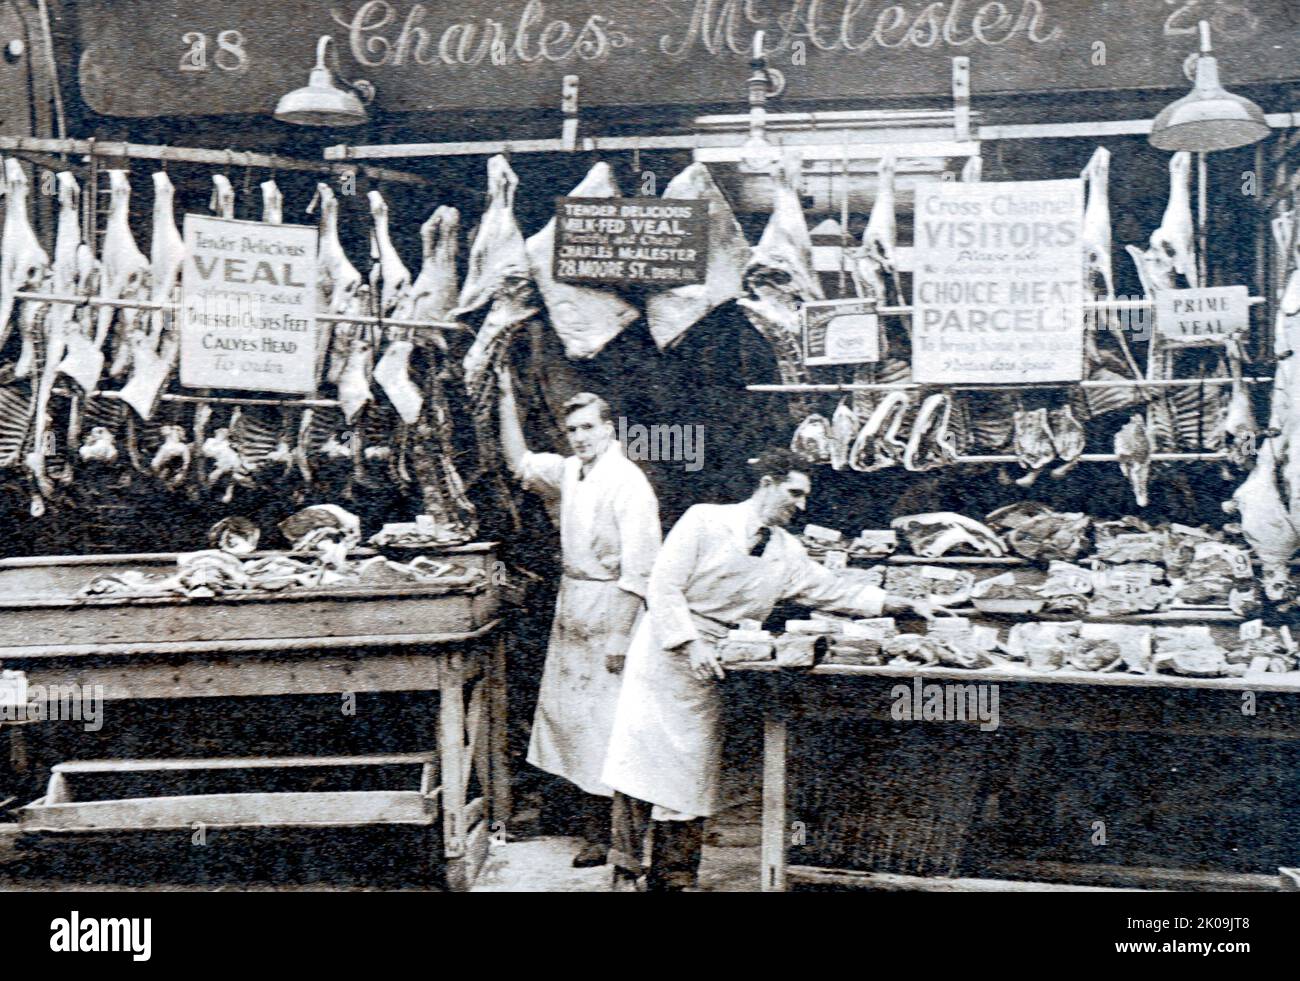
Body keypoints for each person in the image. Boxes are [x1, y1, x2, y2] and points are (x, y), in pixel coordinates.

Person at [602, 448, 933, 891]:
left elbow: (832, 591)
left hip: (719, 661)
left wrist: (900, 603)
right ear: (767, 485)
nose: (801, 505)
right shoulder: (703, 521)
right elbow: (663, 586)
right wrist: (689, 642)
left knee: (692, 773)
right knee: (638, 764)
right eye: (794, 493)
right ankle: (624, 870)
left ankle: (672, 878)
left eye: (805, 496)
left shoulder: (785, 550)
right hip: (664, 653)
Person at [497, 368, 662, 867]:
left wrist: (620, 635)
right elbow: (519, 462)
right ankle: (583, 822)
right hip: (574, 604)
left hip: (613, 609)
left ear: (610, 429)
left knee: (610, 727)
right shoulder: (571, 471)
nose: (581, 438)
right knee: (572, 722)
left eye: (589, 428)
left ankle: (616, 840)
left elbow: (641, 569)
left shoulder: (629, 483)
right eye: (573, 431)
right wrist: (506, 394)